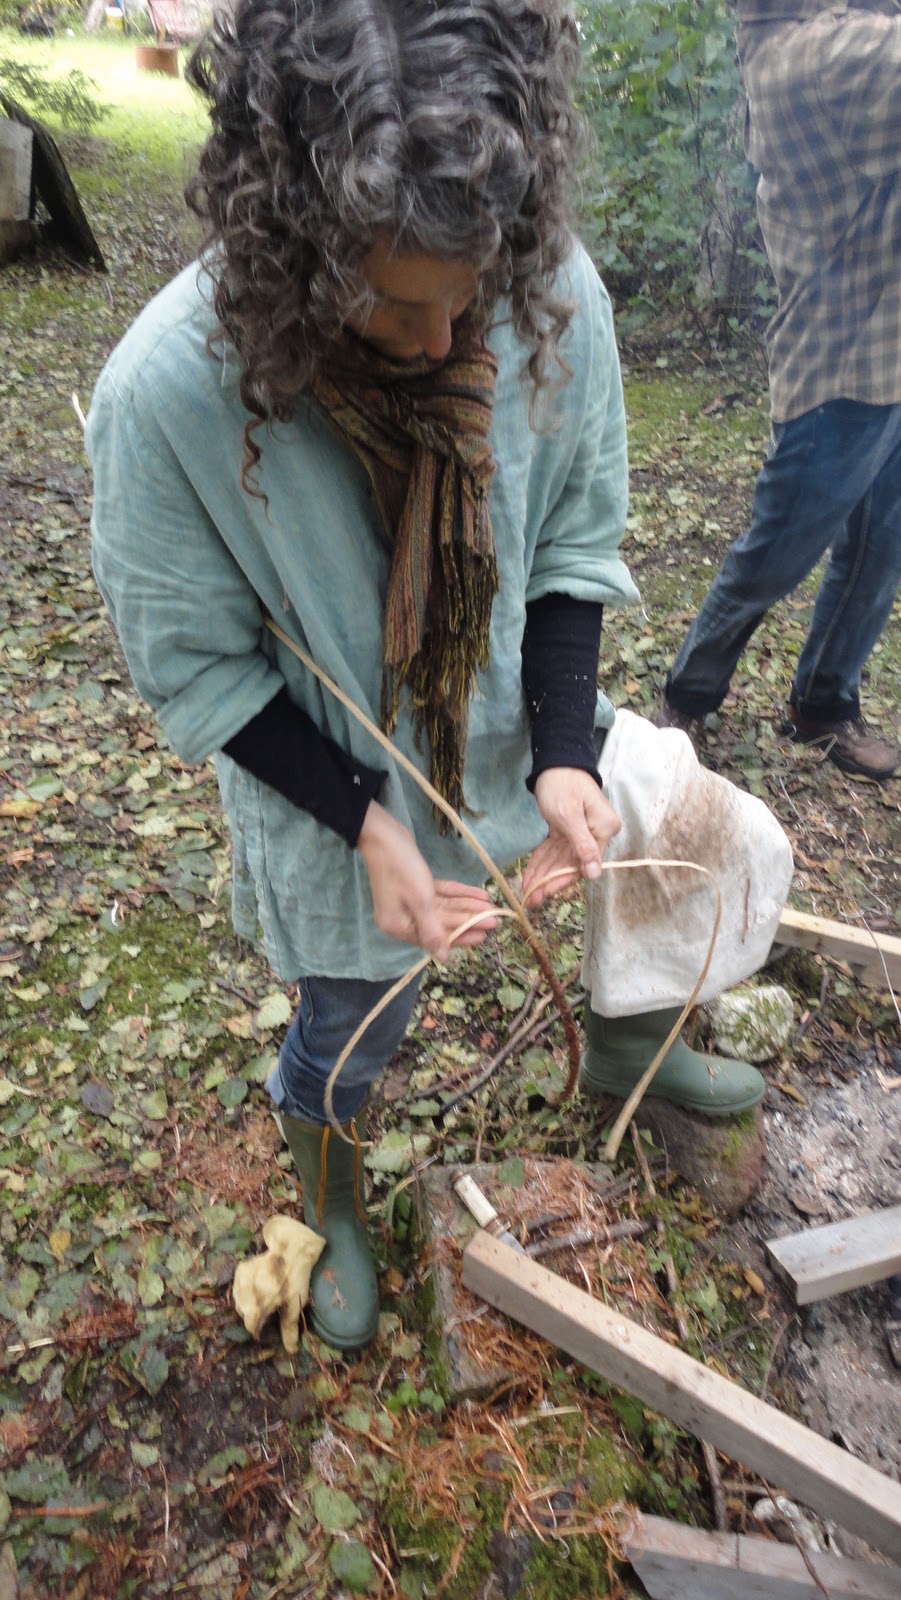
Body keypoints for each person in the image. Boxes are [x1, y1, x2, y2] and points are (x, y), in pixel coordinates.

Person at [87, 0, 760, 1355]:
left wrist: (564, 750)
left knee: (698, 843)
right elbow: (203, 671)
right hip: (337, 773)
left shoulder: (543, 287)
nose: (451, 338)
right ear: (293, 248)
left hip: (513, 715)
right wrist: (372, 825)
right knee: (351, 1018)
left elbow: (570, 541)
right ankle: (332, 1198)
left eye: (469, 289)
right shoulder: (170, 396)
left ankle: (625, 1038)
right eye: (395, 301)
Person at [658, 0, 901, 781]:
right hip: (839, 368)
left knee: (878, 547)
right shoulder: (808, 60)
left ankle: (822, 703)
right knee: (776, 549)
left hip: (890, 355)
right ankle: (684, 702)